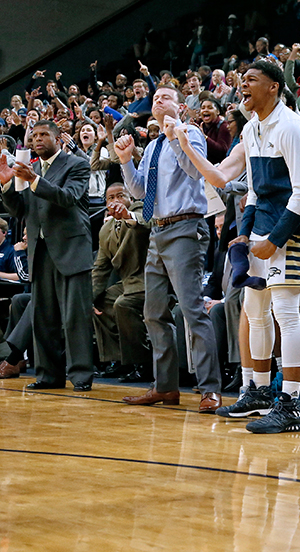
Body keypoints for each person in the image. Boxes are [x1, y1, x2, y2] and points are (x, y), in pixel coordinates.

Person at [220, 60, 300, 434]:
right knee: (255, 312)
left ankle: (291, 405)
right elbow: (254, 190)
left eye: (251, 80)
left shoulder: (291, 127)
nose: (243, 86)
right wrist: (245, 233)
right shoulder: (250, 128)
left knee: (286, 313)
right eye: (241, 80)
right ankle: (259, 393)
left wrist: (275, 239)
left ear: (274, 86)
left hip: (289, 233)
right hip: (261, 231)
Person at [115, 86, 223, 413]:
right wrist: (125, 161)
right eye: (156, 98)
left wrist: (176, 138)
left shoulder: (191, 133)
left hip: (186, 226)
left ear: (181, 107)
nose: (158, 101)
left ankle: (210, 389)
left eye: (165, 97)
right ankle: (165, 387)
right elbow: (140, 193)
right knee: (153, 312)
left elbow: (195, 170)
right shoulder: (151, 147)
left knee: (192, 309)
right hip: (157, 230)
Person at [0, 119, 94, 391]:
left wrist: (34, 180)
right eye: (34, 136)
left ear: (58, 138)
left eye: (43, 134)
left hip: (71, 249)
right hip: (40, 252)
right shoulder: (32, 168)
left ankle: (81, 376)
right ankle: (49, 376)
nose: (37, 139)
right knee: (43, 317)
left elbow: (68, 197)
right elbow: (20, 210)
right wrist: (7, 185)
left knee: (75, 318)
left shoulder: (76, 164)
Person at [90, 182, 151, 382]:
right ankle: (116, 360)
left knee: (123, 304)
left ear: (130, 198)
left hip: (149, 279)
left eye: (120, 196)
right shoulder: (105, 229)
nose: (116, 200)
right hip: (127, 283)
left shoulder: (140, 211)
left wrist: (128, 216)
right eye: (111, 198)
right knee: (100, 303)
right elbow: (100, 269)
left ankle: (142, 363)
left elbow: (145, 223)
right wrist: (89, 298)